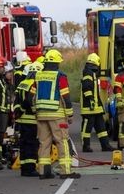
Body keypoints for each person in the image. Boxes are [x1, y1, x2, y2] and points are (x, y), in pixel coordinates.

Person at [35, 49, 76, 179]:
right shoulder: (60, 76)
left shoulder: (38, 75)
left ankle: (43, 172)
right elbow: (65, 96)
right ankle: (66, 171)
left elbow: (32, 95)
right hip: (57, 115)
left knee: (44, 143)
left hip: (41, 115)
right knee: (62, 141)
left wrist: (35, 110)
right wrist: (69, 114)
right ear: (57, 63)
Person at [80, 53, 113, 153]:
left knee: (101, 128)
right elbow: (86, 87)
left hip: (96, 108)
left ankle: (105, 145)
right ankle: (86, 146)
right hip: (89, 108)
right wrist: (91, 100)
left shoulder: (91, 73)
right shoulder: (88, 73)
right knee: (87, 129)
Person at [15, 61, 41, 176]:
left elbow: (16, 101)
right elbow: (29, 101)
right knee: (31, 144)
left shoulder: (22, 83)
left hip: (21, 120)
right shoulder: (34, 84)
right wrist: (36, 112)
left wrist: (18, 112)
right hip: (31, 119)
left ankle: (24, 168)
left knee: (24, 144)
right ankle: (30, 168)